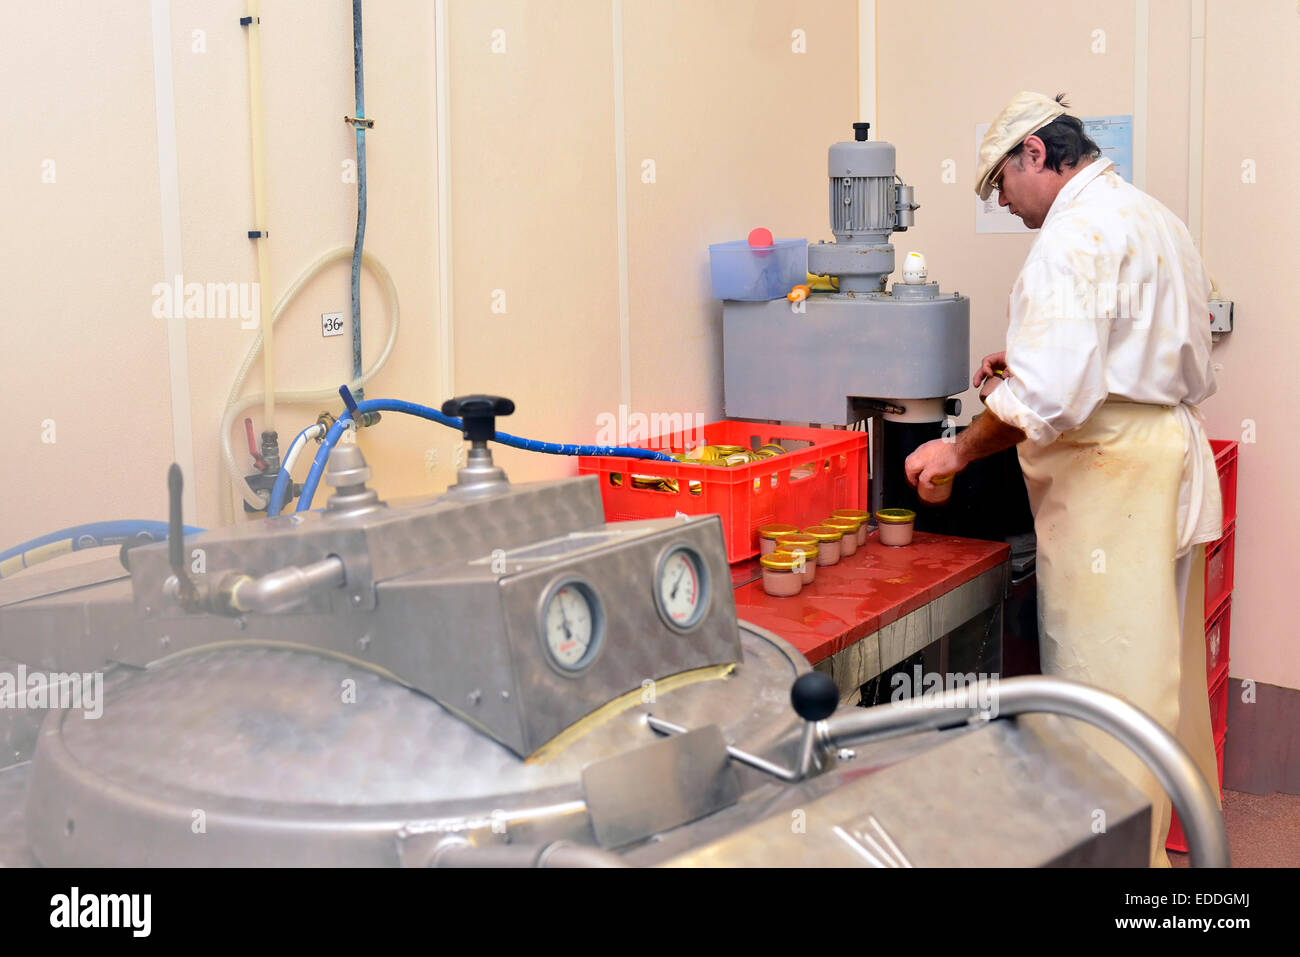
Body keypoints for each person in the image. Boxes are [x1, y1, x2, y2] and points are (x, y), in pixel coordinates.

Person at [904, 91, 1223, 867]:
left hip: (1110, 486)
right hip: (1163, 462)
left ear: (1036, 154)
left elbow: (1052, 399)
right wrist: (1025, 370)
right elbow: (1119, 356)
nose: (1003, 202)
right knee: (1158, 685)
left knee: (1101, 695)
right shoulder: (1152, 218)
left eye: (999, 183)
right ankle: (1171, 853)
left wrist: (954, 452)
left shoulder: (1069, 238)